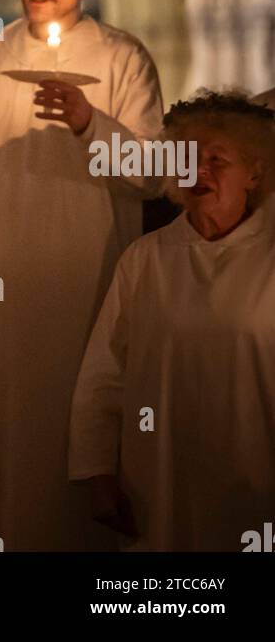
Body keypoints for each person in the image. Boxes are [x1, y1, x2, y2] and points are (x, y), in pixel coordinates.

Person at [0, 0, 164, 551]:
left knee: (67, 440)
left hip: (82, 286)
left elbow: (154, 172)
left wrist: (91, 123)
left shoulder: (121, 59)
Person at [69, 91, 275, 551]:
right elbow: (105, 373)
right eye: (187, 157)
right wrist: (97, 472)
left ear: (255, 171)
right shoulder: (146, 259)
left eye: (217, 159)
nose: (197, 171)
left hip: (256, 481)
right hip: (159, 476)